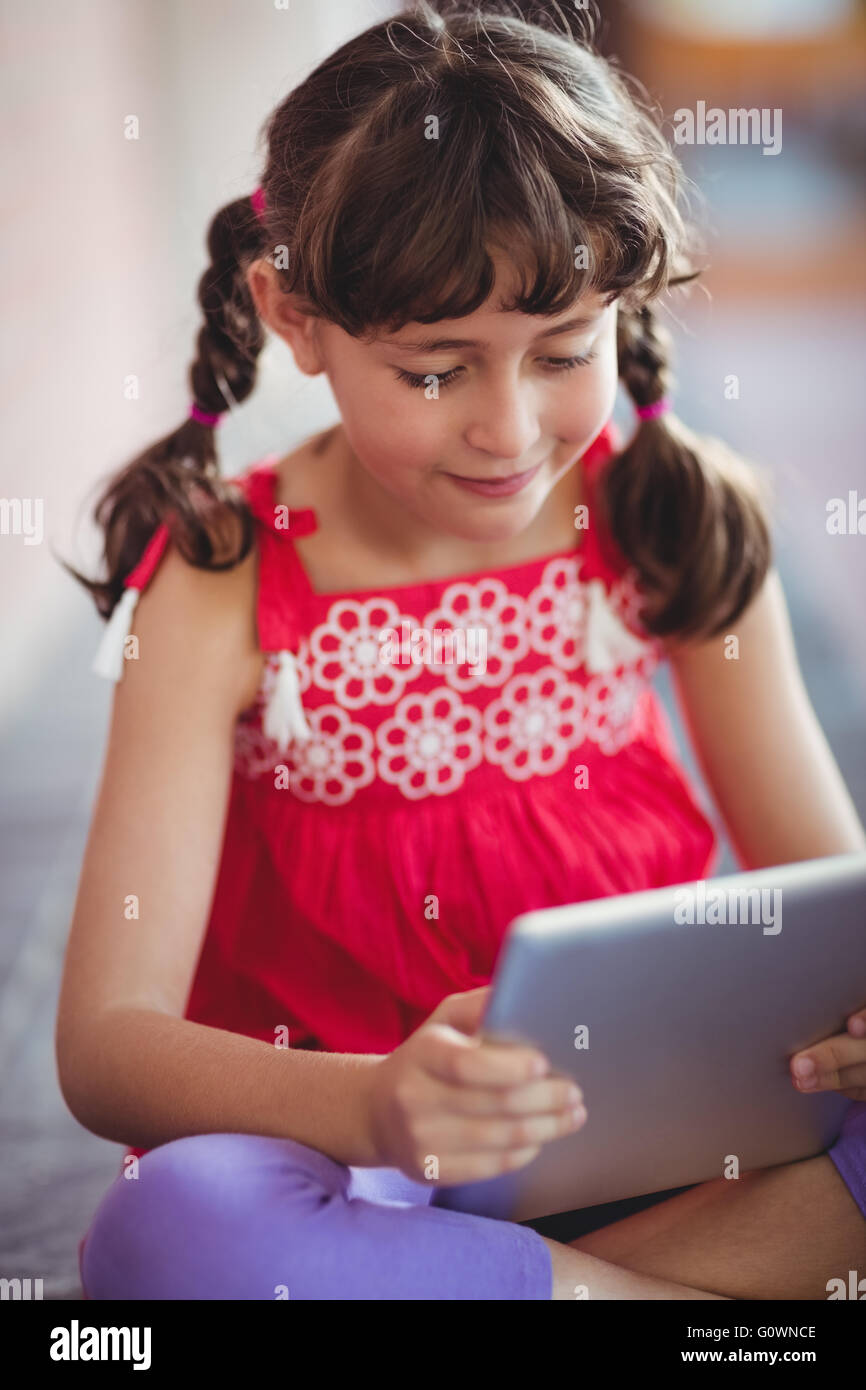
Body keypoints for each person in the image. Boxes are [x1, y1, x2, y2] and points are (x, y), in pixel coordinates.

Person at [56, 0, 866, 1300]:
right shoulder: (221, 581)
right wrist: (373, 1100)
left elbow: (829, 909)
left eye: (561, 353)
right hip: (362, 1164)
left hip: (670, 1131)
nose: (507, 426)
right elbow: (105, 1045)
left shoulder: (681, 514)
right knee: (171, 1228)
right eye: (437, 369)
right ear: (294, 316)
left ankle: (498, 1284)